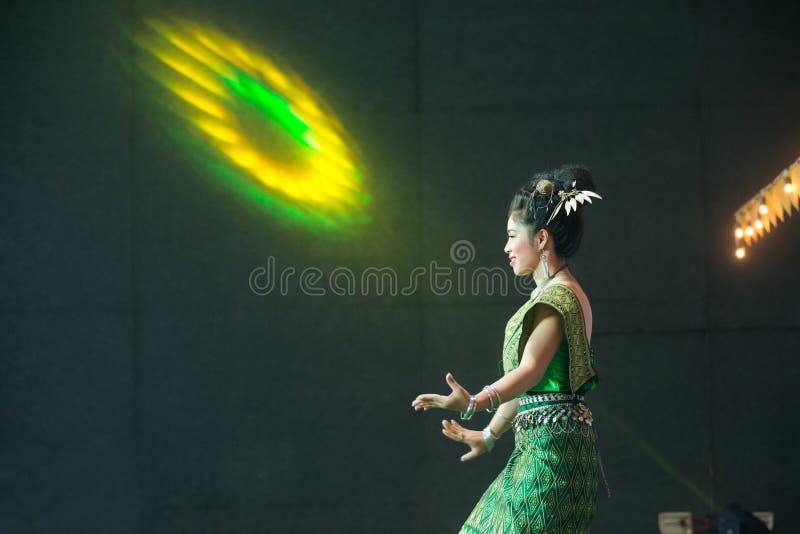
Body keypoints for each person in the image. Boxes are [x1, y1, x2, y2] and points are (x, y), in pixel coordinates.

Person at [412, 164, 607, 533]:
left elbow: (530, 371)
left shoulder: (559, 298)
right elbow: (529, 387)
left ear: (541, 239)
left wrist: (474, 402)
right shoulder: (555, 294)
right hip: (546, 448)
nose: (506, 247)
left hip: (552, 454)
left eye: (512, 235)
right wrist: (489, 434)